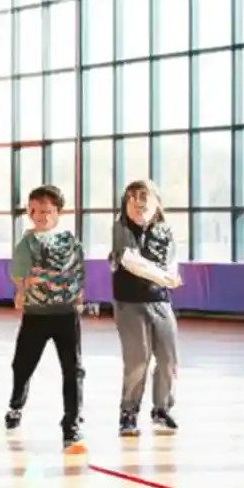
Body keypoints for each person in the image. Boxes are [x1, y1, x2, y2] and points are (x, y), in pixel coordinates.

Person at [6, 184, 86, 449]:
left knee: (73, 370)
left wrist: (77, 296)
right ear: (30, 212)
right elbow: (20, 275)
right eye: (36, 211)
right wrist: (22, 289)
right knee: (22, 365)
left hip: (66, 315)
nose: (41, 216)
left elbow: (77, 272)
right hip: (36, 315)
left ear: (58, 213)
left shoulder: (70, 242)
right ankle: (16, 404)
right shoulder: (26, 243)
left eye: (47, 211)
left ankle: (72, 423)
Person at [108, 179, 181, 437]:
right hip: (129, 302)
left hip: (159, 300)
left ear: (157, 204)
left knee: (169, 358)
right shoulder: (121, 229)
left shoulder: (165, 231)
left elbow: (172, 261)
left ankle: (162, 408)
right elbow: (130, 260)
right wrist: (164, 278)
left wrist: (170, 276)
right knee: (137, 358)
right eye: (131, 198)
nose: (138, 203)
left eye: (144, 197)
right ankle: (128, 412)